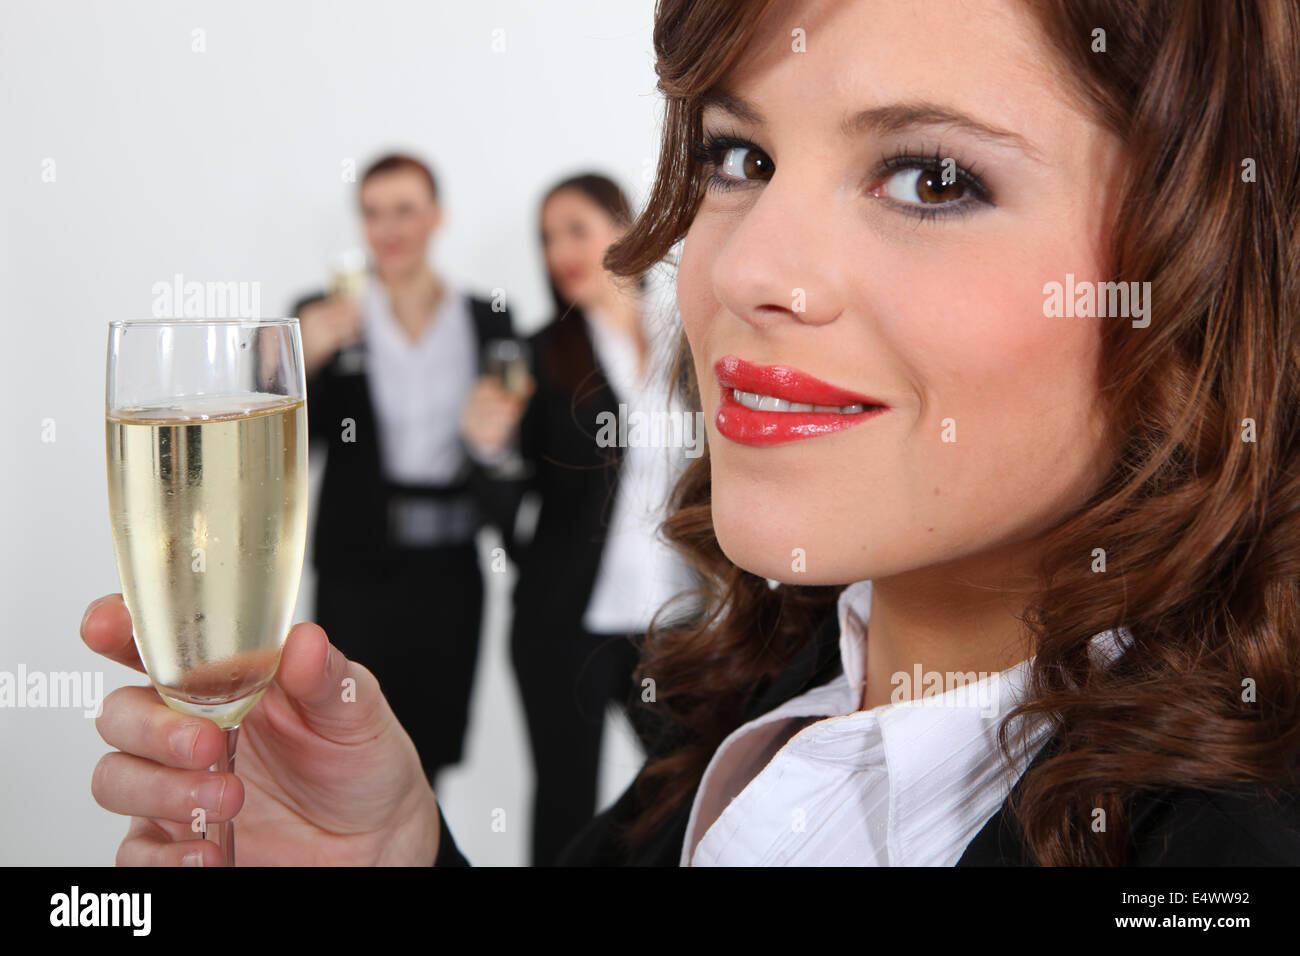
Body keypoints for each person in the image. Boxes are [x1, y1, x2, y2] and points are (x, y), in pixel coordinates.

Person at [83, 0, 1300, 867]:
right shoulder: (732, 730)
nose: (745, 264)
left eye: (932, 177)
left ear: (1208, 271)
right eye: (741, 155)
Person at [458, 173, 699, 866]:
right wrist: (486, 448)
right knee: (566, 800)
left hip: (676, 621)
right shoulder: (538, 355)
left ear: (626, 230)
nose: (559, 249)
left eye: (576, 229)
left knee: (687, 788)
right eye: (546, 236)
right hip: (567, 622)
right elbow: (501, 507)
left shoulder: (691, 335)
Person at [290, 152, 523, 786]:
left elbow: (515, 455)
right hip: (357, 566)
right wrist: (298, 362)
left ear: (436, 217)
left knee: (431, 755)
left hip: (452, 572)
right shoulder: (323, 316)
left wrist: (496, 445)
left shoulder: (488, 319)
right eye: (372, 213)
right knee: (342, 753)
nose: (389, 229)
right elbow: (284, 448)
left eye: (405, 210)